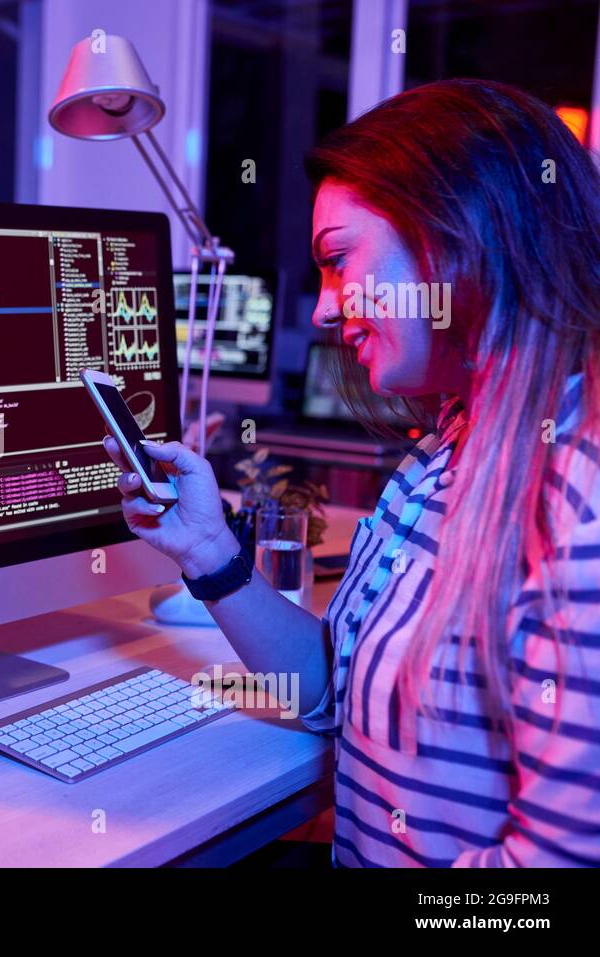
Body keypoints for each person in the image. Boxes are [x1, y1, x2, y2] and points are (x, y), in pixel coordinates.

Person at [104, 79, 599, 866]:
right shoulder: (448, 446)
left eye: (340, 261)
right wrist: (211, 555)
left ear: (456, 238)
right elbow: (331, 696)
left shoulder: (578, 504)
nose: (326, 309)